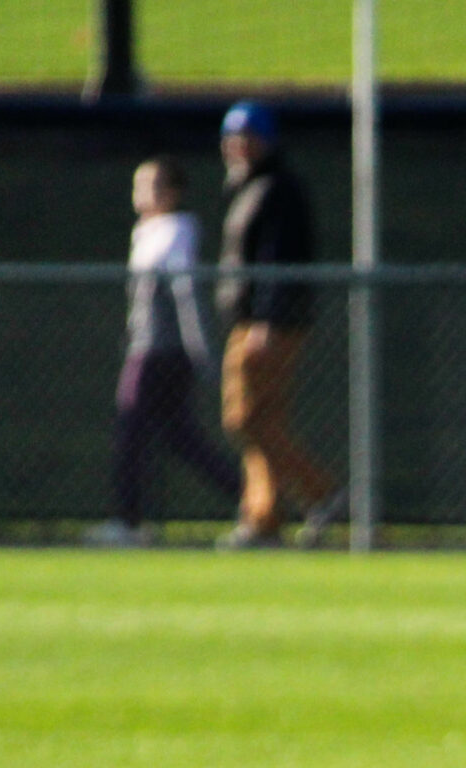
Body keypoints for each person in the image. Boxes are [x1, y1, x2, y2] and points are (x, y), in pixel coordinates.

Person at [91, 158, 241, 548]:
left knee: (130, 431)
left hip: (160, 354)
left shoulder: (176, 231)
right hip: (145, 347)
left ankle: (126, 521)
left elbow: (186, 296)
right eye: (139, 186)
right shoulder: (146, 231)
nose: (143, 195)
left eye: (154, 187)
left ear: (174, 194)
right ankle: (252, 498)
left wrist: (200, 351)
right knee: (180, 437)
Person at [215, 101, 342, 550]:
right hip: (250, 320)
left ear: (266, 141)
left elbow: (277, 259)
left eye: (247, 137)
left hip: (269, 323)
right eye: (232, 138)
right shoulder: (251, 187)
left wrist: (268, 320)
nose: (237, 147)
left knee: (246, 419)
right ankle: (263, 517)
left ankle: (323, 494)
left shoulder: (277, 188)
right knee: (262, 420)